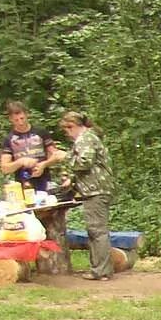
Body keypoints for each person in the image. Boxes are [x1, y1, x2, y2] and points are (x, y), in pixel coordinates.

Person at [47, 110, 115, 280]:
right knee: (95, 230)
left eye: (67, 130)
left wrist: (65, 156)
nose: (67, 134)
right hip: (96, 188)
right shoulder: (89, 138)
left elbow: (85, 162)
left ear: (73, 126)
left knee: (97, 231)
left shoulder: (86, 138)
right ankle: (99, 268)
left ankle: (101, 271)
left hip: (96, 190)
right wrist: (72, 180)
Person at [0, 101, 54, 193]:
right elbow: (4, 168)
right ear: (10, 119)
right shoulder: (9, 139)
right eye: (16, 120)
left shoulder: (41, 132)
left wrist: (44, 164)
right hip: (23, 185)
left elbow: (56, 155)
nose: (20, 122)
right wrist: (20, 162)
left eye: (22, 118)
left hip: (44, 182)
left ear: (27, 115)